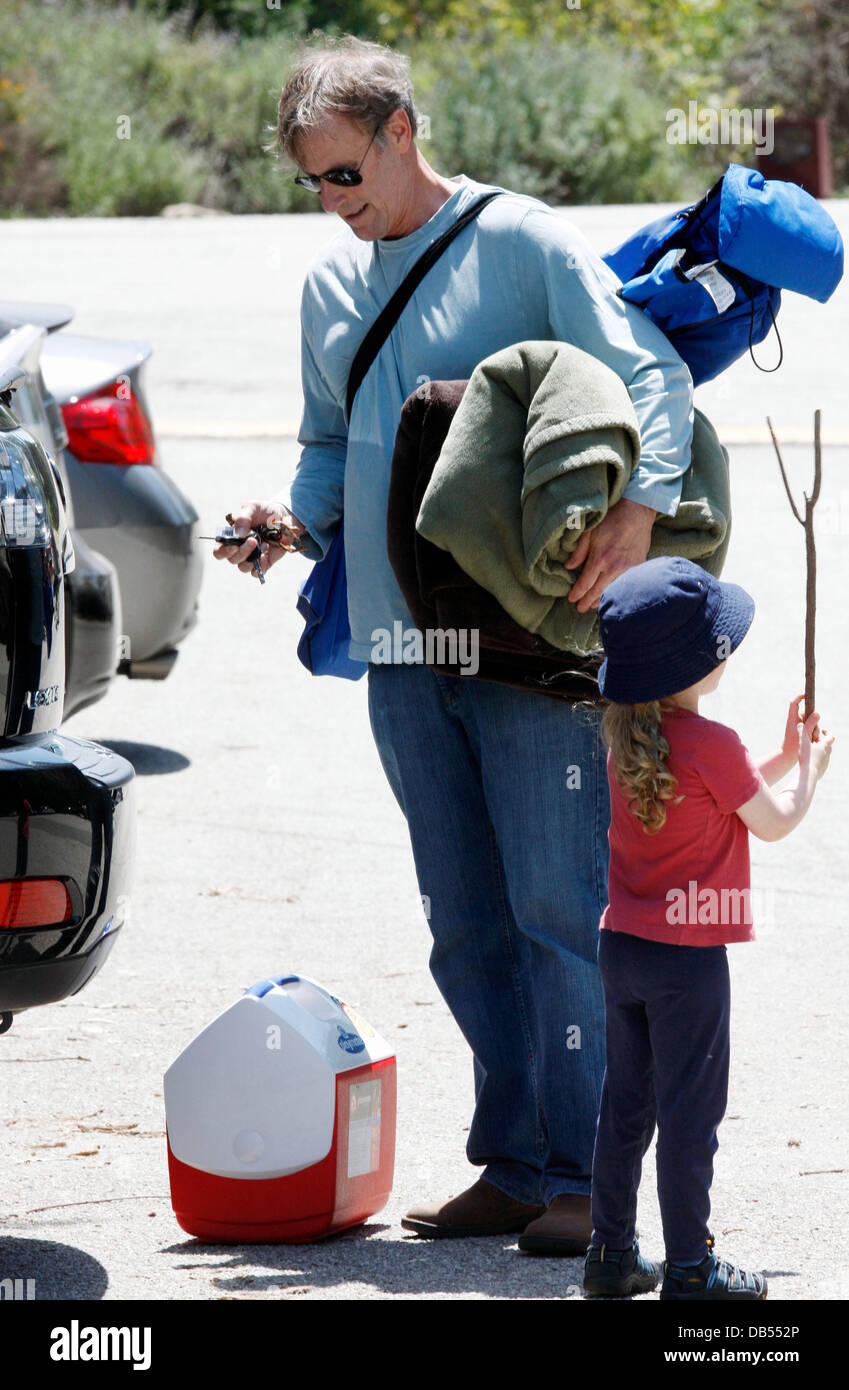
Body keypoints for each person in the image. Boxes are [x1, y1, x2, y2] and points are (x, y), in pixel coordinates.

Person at [217, 34, 696, 1252]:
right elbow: (331, 443)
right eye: (310, 183)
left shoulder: (521, 241)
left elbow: (650, 374)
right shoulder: (332, 288)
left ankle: (603, 1184)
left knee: (558, 909)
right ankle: (522, 1163)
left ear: (400, 133)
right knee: (467, 920)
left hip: (529, 648)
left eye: (343, 173)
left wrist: (638, 509)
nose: (334, 203)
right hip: (400, 648)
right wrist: (288, 522)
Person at [582, 556, 833, 1299]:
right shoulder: (711, 743)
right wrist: (811, 770)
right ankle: (690, 1266)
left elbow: (707, 794)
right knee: (691, 1116)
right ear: (699, 661)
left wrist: (783, 754)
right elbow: (775, 820)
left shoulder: (628, 740)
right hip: (687, 963)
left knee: (624, 1105)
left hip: (621, 947)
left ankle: (609, 1252)